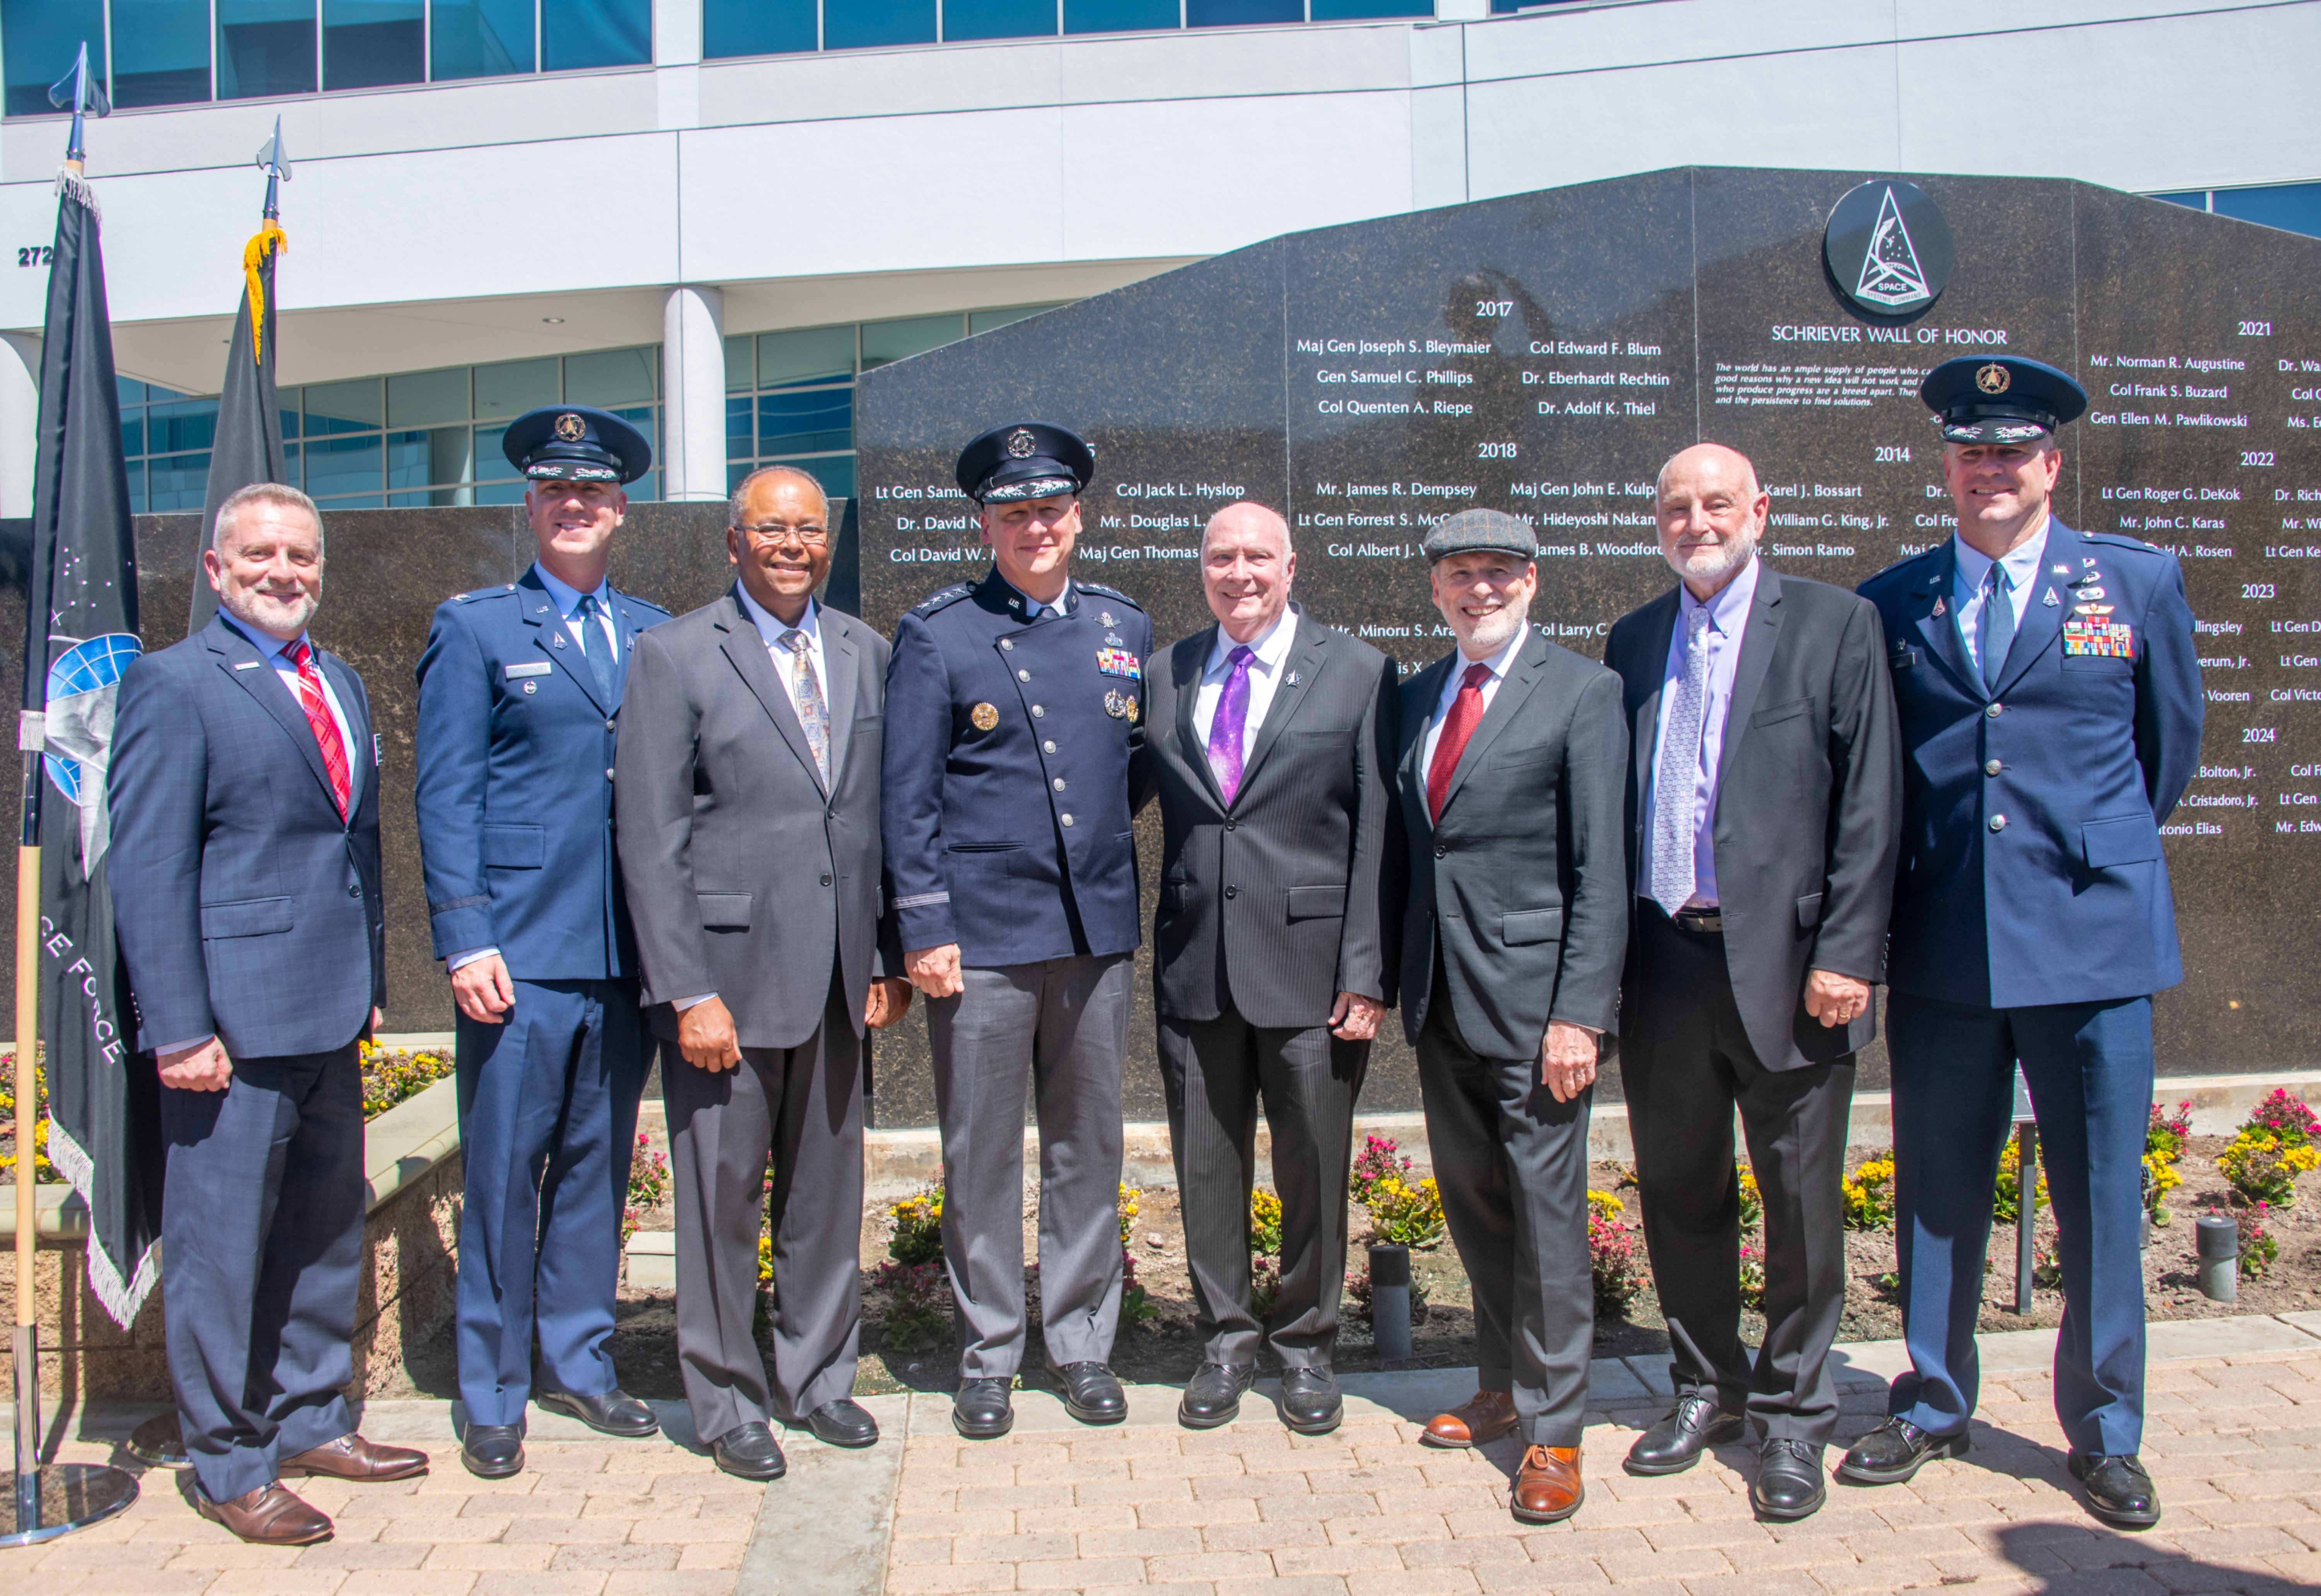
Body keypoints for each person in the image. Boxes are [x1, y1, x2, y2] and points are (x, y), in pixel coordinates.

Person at [1845, 356, 2202, 1529]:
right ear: (1943, 467)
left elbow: (2166, 754)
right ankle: (1934, 1401)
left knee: (2099, 1193)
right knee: (1936, 1191)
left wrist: (2079, 857)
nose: (1989, 469)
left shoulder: (2133, 584)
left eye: (2011, 450)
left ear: (2051, 465)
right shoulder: (1894, 601)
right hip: (1948, 942)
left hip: (2090, 943)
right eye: (1969, 450)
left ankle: (2103, 1431)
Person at [109, 482, 426, 1545]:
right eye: (260, 556)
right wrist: (181, 1028)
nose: (283, 572)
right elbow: (151, 870)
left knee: (323, 1233)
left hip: (329, 1012)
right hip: (230, 1032)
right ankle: (229, 1461)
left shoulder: (332, 678)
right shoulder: (174, 687)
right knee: (221, 1250)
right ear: (215, 569)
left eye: (300, 556)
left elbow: (352, 846)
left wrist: (371, 975)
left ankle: (308, 1416)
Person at [1604, 443, 1900, 1520]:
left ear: (1759, 510)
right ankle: (1704, 1383)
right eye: (1674, 506)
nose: (1695, 521)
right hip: (1666, 964)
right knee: (1681, 1191)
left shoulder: (1833, 625)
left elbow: (1869, 803)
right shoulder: (1634, 640)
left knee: (1798, 1207)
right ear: (1656, 521)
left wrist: (1847, 955)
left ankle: (1790, 1419)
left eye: (1715, 502)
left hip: (1791, 971)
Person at [616, 466, 911, 1480]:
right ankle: (728, 1399)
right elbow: (649, 840)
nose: (792, 544)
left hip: (837, 976)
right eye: (771, 528)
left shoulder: (865, 652)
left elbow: (878, 820)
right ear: (733, 540)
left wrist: (884, 953)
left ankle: (820, 1377)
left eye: (809, 530)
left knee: (826, 1197)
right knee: (721, 1201)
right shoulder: (673, 654)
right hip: (725, 986)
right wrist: (687, 990)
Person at [883, 421, 1152, 1441]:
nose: (1034, 527)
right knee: (983, 1154)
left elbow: (1123, 778)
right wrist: (924, 928)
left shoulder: (1122, 625)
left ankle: (1081, 1345)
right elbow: (905, 797)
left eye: (1051, 509)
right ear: (984, 523)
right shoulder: (939, 633)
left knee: (1088, 1150)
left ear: (1077, 516)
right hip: (982, 942)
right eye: (1014, 512)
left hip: (1090, 936)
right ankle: (990, 1352)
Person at [414, 404, 669, 1480]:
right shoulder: (474, 627)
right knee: (506, 1173)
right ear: (530, 504)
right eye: (556, 492)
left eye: (595, 493)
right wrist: (465, 937)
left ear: (620, 510)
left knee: (596, 1174)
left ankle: (580, 1360)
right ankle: (493, 1388)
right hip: (518, 955)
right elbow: (444, 793)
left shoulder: (658, 631)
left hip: (627, 953)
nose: (576, 507)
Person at [1134, 501, 1399, 1435]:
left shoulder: (1359, 671)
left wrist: (1364, 972)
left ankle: (1307, 1347)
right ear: (1199, 568)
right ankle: (1224, 1341)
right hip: (1197, 964)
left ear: (1292, 565)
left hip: (1312, 966)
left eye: (1256, 556)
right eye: (1219, 557)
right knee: (1207, 1168)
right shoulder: (1165, 672)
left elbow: (1376, 832)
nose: (1237, 572)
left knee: (1314, 1167)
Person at [1392, 508, 1627, 1525]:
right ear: (1435, 589)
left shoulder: (1583, 691)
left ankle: (1556, 1431)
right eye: (1458, 574)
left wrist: (1579, 1014)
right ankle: (1500, 1385)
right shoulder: (1414, 697)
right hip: (1441, 996)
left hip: (1537, 1014)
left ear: (1532, 582)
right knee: (1478, 1207)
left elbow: (1600, 869)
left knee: (1545, 1218)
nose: (1477, 589)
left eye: (1497, 572)